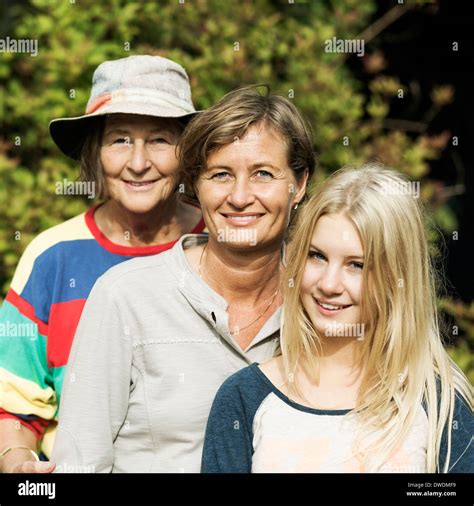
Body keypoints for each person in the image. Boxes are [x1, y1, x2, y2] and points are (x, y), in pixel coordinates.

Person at [51, 85, 315, 472]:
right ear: (196, 185)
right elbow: (80, 462)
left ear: (299, 183)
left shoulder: (327, 298)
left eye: (263, 174)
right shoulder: (124, 296)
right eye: (221, 175)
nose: (240, 197)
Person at [0, 55, 205, 473]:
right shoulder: (52, 257)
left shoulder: (222, 245)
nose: (138, 162)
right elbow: (14, 409)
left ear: (187, 150)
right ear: (95, 152)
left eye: (160, 139)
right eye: (120, 140)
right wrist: (18, 464)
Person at [201, 164, 473, 473]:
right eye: (317, 256)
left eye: (357, 265)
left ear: (398, 278)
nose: (329, 285)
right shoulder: (244, 398)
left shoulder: (439, 405)